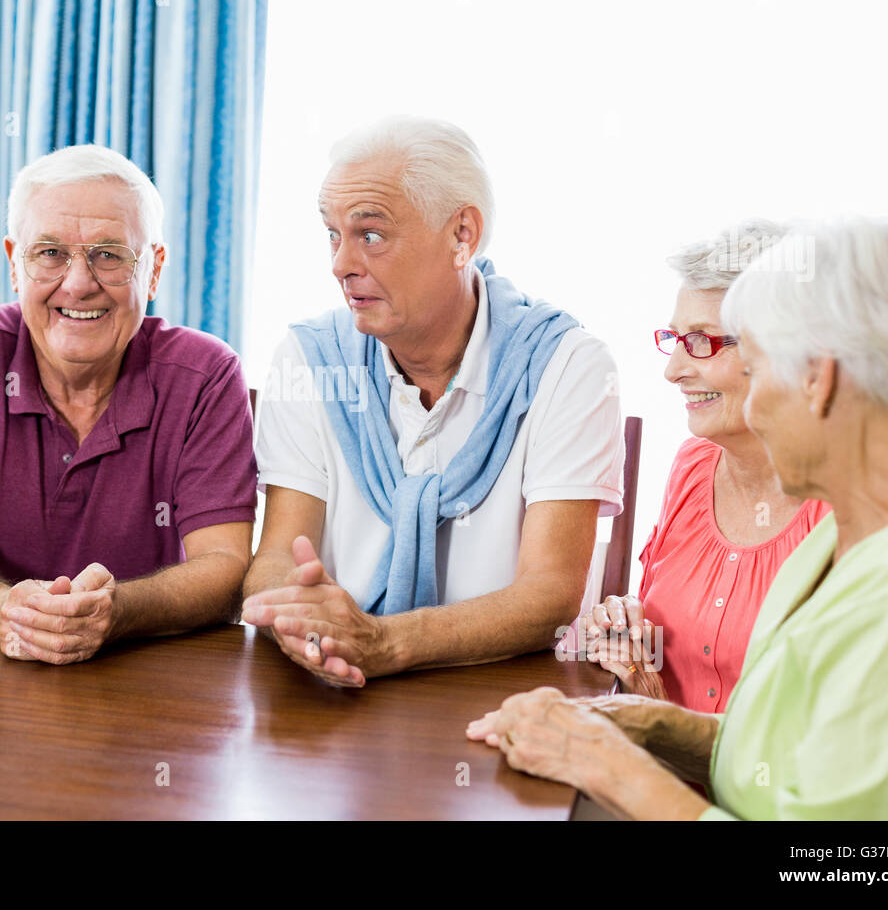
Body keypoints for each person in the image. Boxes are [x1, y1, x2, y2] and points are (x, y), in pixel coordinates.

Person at [469, 216, 888, 819]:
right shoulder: (862, 530)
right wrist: (650, 721)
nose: (755, 407)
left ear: (819, 377)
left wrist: (608, 765)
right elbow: (791, 751)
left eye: (758, 366)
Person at [241, 116, 624, 687]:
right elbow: (276, 557)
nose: (340, 264)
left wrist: (383, 642)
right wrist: (301, 624)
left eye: (371, 235)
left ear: (462, 236)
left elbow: (550, 594)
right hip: (332, 691)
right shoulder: (309, 357)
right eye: (332, 234)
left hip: (504, 698)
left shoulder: (568, 364)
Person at [0, 145, 256, 665]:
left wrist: (117, 611)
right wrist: (4, 611)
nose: (79, 284)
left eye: (109, 255)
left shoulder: (207, 374)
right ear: (15, 264)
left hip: (151, 675)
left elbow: (225, 565)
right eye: (50, 253)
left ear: (154, 270)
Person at [582, 221, 829, 711]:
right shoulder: (693, 464)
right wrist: (627, 630)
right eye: (674, 338)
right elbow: (663, 632)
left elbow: (837, 732)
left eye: (702, 340)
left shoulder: (854, 509)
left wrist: (660, 717)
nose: (673, 370)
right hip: (650, 752)